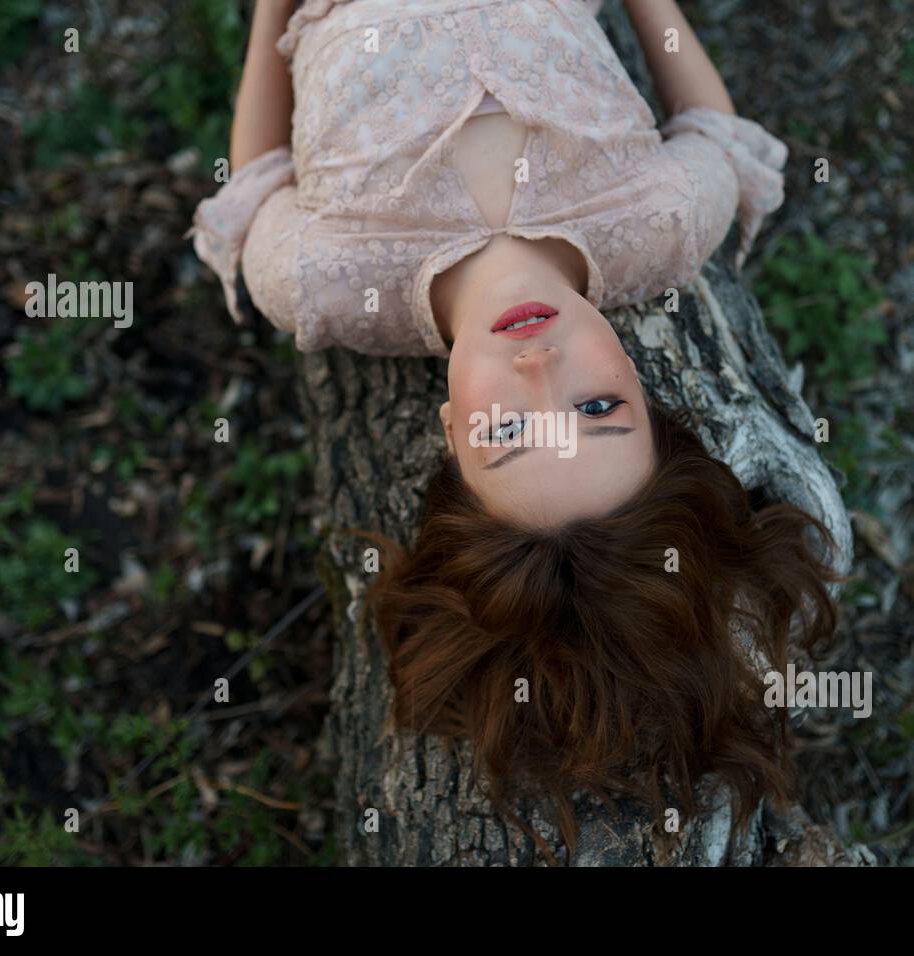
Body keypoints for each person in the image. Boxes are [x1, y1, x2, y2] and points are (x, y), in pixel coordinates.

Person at [191, 0, 838, 862]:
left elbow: (254, 184)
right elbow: (717, 133)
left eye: (507, 428)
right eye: (598, 411)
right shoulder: (659, 223)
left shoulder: (326, 280)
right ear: (652, 400)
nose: (541, 367)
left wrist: (270, 14)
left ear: (452, 432)